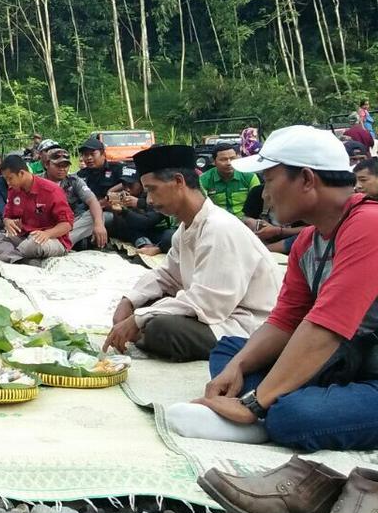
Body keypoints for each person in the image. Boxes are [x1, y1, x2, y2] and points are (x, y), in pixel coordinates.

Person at [190, 127, 378, 513]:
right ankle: (267, 406)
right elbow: (285, 319)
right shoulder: (310, 242)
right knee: (232, 349)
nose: (264, 193)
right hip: (347, 360)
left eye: (270, 179)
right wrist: (238, 369)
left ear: (307, 180)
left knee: (295, 415)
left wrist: (258, 401)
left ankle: (266, 417)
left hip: (364, 364)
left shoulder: (369, 226)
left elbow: (324, 327)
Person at [104, 145, 281, 362]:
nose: (148, 200)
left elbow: (209, 302)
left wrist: (137, 319)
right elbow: (167, 275)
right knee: (145, 307)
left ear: (179, 182)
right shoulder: (187, 228)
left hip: (244, 323)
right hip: (215, 311)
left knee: (160, 327)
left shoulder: (219, 228)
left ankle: (144, 333)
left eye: (152, 189)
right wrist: (129, 301)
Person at [0, 155, 74, 264]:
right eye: (6, 179)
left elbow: (67, 224)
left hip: (50, 239)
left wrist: (47, 233)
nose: (8, 183)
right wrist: (8, 222)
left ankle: (13, 255)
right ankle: (21, 259)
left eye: (10, 178)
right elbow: (7, 216)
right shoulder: (14, 190)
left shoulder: (51, 190)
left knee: (33, 245)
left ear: (22, 173)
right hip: (23, 235)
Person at [39, 147, 107, 249]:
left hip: (69, 226)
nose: (62, 169)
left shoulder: (74, 181)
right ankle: (56, 243)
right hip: (43, 224)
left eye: (65, 165)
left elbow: (92, 201)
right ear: (47, 164)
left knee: (97, 216)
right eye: (58, 165)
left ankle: (61, 243)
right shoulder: (35, 182)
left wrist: (99, 225)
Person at [104, 167, 172, 255]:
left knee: (170, 237)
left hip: (159, 231)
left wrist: (134, 206)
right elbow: (109, 195)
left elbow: (146, 222)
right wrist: (115, 207)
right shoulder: (124, 194)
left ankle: (156, 248)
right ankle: (143, 242)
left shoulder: (156, 194)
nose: (127, 189)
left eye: (131, 185)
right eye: (124, 185)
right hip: (136, 232)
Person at [199, 143, 259, 218]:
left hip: (245, 222)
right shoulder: (203, 179)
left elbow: (257, 205)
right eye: (223, 159)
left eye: (232, 158)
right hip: (216, 223)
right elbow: (200, 207)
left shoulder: (250, 177)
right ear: (214, 162)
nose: (229, 163)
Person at [242, 182, 302, 254]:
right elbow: (246, 219)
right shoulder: (257, 192)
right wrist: (251, 222)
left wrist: (278, 231)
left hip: (292, 244)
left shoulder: (300, 197)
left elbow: (311, 229)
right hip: (261, 242)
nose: (265, 196)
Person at [77, 136, 125, 207]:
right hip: (86, 209)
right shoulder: (81, 174)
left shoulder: (118, 169)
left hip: (113, 210)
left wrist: (107, 200)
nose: (89, 158)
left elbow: (131, 192)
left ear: (103, 155)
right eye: (85, 155)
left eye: (92, 154)